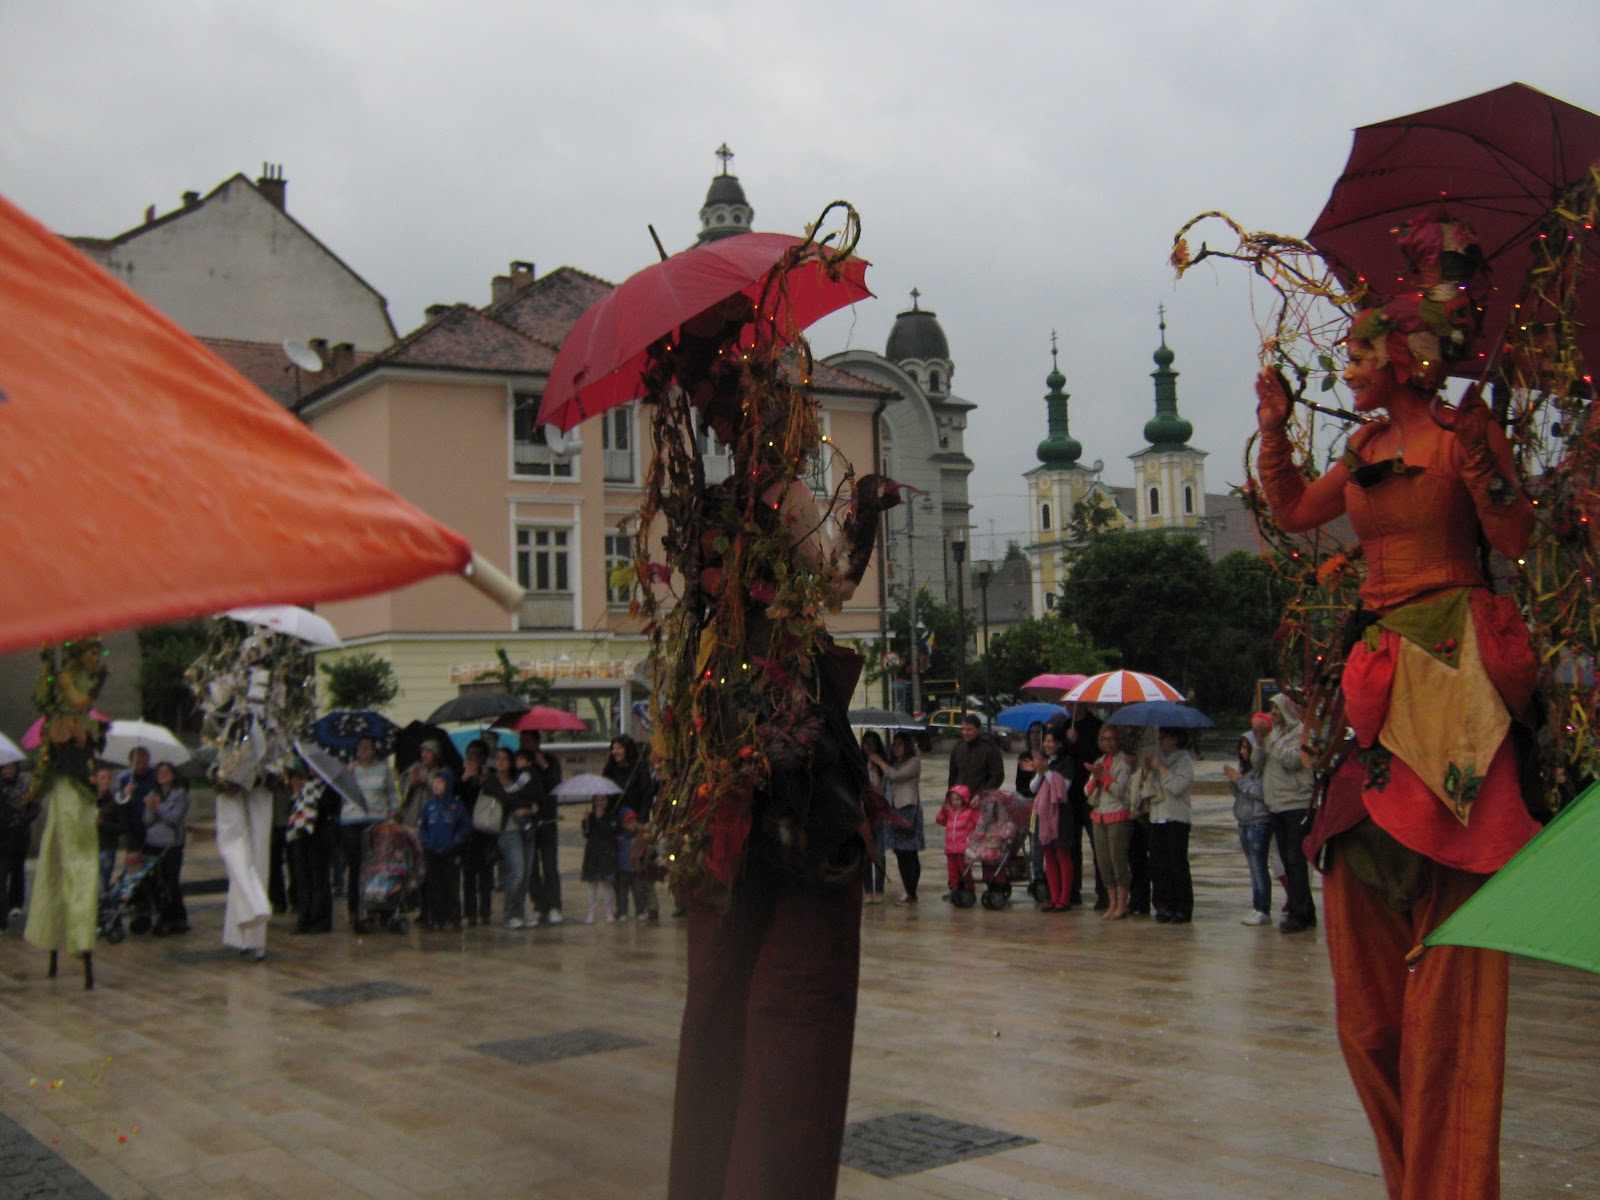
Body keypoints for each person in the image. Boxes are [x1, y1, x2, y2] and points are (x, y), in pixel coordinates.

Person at [1254, 279, 1542, 1198]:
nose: (1350, 363)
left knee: (1455, 990)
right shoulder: (1369, 444)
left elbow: (1516, 532)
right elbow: (1298, 511)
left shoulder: (1459, 440)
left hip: (1454, 677)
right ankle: (1412, 1176)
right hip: (1374, 680)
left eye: (1363, 350)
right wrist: (1273, 426)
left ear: (1411, 358)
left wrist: (1486, 452)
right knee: (1368, 1017)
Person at [649, 282, 902, 1200]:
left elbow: (819, 583)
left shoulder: (739, 499)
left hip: (742, 738)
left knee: (744, 982)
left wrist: (861, 511)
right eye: (720, 404)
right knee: (770, 985)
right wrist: (865, 511)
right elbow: (834, 583)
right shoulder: (752, 497)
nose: (727, 418)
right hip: (757, 739)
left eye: (732, 402)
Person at [1257, 692, 1317, 934]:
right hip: (1276, 805)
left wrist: (1269, 739)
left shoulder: (1302, 732)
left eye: (1276, 710)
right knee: (1287, 860)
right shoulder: (1276, 736)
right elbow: (1257, 762)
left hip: (1296, 804)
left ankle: (1299, 914)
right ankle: (1304, 909)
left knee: (1295, 860)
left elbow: (1293, 760)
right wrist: (1260, 741)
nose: (1272, 715)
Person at [1141, 728, 1195, 924]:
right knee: (1159, 865)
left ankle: (1183, 907)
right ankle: (1165, 905)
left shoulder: (1185, 761)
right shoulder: (1158, 759)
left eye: (1164, 738)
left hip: (1177, 818)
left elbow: (1177, 788)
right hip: (1157, 817)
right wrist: (1148, 772)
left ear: (1174, 739)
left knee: (1177, 864)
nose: (1161, 741)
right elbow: (1148, 791)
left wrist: (1162, 768)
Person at [216, 778, 274, 960]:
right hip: (232, 785)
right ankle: (243, 934)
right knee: (237, 856)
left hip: (257, 783)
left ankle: (255, 936)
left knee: (257, 855)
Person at [344, 735, 397, 932]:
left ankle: (375, 907)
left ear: (374, 750)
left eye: (368, 747)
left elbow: (391, 792)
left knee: (375, 867)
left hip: (376, 819)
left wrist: (393, 809)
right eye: (361, 747)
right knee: (355, 866)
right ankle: (354, 910)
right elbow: (342, 793)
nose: (364, 751)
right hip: (352, 820)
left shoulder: (383, 768)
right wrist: (346, 776)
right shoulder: (351, 769)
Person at [481, 747, 536, 928]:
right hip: (508, 829)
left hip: (527, 827)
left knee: (526, 874)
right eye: (498, 758)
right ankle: (510, 912)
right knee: (517, 872)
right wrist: (522, 806)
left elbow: (532, 795)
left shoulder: (519, 779)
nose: (501, 762)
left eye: (505, 758)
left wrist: (529, 808)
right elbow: (505, 799)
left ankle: (519, 912)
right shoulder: (492, 781)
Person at [604, 735, 657, 921]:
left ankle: (649, 906)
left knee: (642, 862)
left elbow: (646, 793)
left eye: (619, 747)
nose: (615, 751)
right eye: (613, 748)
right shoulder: (610, 769)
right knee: (621, 866)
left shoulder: (638, 768)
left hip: (637, 821)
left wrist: (641, 820)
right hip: (618, 823)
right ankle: (622, 907)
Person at [1085, 724, 1135, 920]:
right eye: (1105, 739)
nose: (1109, 742)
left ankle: (1122, 903)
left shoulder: (1125, 763)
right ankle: (1112, 901)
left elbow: (1120, 791)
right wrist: (1094, 777)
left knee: (1118, 859)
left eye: (1113, 738)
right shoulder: (1100, 761)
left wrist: (1104, 777)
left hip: (1118, 814)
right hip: (1099, 813)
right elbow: (1087, 791)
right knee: (1103, 860)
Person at [1022, 727, 1074, 912]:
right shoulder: (1046, 762)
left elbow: (1063, 789)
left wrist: (1048, 773)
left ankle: (1064, 898)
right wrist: (1041, 771)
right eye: (1046, 741)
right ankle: (1053, 896)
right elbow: (1034, 787)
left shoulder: (1066, 762)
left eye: (1051, 741)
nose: (1047, 744)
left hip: (1061, 815)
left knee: (1062, 856)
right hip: (1044, 817)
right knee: (1048, 856)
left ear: (1060, 743)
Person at [1227, 728, 1274, 926]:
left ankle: (1263, 907)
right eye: (1241, 748)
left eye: (1247, 747)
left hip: (1259, 821)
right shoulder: (1244, 769)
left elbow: (1260, 793)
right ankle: (1257, 905)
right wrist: (1233, 781)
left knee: (1259, 865)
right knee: (1252, 866)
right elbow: (1239, 793)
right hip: (1244, 821)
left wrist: (1241, 781)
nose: (1243, 751)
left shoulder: (1262, 770)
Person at [871, 732, 924, 903]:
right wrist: (874, 769)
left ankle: (911, 891)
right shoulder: (896, 763)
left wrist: (880, 761)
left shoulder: (914, 762)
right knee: (900, 851)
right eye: (894, 745)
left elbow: (896, 776)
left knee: (909, 851)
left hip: (907, 808)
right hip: (893, 809)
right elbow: (884, 784)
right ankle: (908, 889)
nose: (895, 748)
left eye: (899, 744)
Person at [284, 761, 336, 935]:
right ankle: (304, 917)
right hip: (301, 837)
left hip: (320, 836)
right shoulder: (305, 788)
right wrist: (298, 793)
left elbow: (331, 808)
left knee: (319, 878)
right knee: (302, 877)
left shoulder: (327, 786)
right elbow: (292, 811)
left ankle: (320, 918)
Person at [417, 769, 470, 931]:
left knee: (451, 885)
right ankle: (436, 917)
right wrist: (425, 841)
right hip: (432, 851)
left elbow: (465, 825)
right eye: (435, 782)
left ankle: (453, 917)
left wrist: (456, 840)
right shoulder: (428, 806)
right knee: (434, 885)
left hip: (450, 851)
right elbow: (422, 827)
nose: (437, 785)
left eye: (441, 782)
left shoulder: (456, 805)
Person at [142, 761, 190, 935]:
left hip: (171, 844)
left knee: (170, 881)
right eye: (159, 772)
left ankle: (170, 918)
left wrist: (158, 807)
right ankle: (175, 917)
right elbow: (147, 821)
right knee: (156, 881)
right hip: (153, 842)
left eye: (166, 772)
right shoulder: (153, 793)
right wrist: (151, 808)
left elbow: (174, 818)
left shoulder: (180, 794)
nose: (162, 775)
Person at [520, 735, 563, 925]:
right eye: (522, 741)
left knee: (550, 865)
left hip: (548, 821)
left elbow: (555, 784)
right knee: (531, 867)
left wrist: (543, 765)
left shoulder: (551, 761)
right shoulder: (521, 763)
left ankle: (554, 905)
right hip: (529, 821)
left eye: (527, 741)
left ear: (536, 742)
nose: (525, 744)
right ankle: (539, 904)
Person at [457, 739, 498, 927]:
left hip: (486, 829)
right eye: (469, 754)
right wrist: (465, 779)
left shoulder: (490, 775)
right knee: (468, 873)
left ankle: (485, 912)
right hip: (468, 830)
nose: (472, 758)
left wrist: (485, 780)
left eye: (476, 755)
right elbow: (458, 796)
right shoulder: (462, 775)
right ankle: (470, 912)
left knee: (486, 873)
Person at [0, 760, 38, 927]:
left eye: (11, 768)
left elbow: (34, 807)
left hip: (20, 834)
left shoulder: (25, 785)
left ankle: (16, 903)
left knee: (17, 868)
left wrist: (23, 819)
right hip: (3, 834)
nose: (8, 771)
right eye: (5, 768)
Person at [859, 731, 891, 904]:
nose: (869, 747)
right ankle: (867, 890)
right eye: (866, 744)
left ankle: (879, 889)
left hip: (878, 813)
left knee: (879, 851)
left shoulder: (881, 764)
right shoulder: (857, 764)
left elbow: (880, 790)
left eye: (873, 744)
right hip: (863, 813)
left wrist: (874, 768)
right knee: (865, 853)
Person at [580, 793, 620, 924]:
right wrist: (585, 821)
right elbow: (586, 833)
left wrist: (600, 818)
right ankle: (591, 911)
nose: (600, 803)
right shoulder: (590, 816)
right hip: (593, 853)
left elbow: (610, 831)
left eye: (603, 800)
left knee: (607, 884)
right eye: (597, 800)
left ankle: (608, 910)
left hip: (607, 852)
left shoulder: (611, 815)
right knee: (592, 884)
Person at [935, 785, 977, 901]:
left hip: (963, 848)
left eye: (958, 799)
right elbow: (940, 820)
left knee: (964, 869)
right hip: (950, 848)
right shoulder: (950, 813)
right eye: (953, 800)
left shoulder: (969, 813)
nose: (955, 802)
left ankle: (969, 888)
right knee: (952, 870)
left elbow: (978, 823)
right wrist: (943, 810)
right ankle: (954, 889)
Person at [947, 714, 1003, 795]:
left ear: (978, 730)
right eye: (963, 729)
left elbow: (997, 777)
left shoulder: (990, 749)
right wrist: (950, 796)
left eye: (969, 730)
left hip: (981, 799)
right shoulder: (958, 748)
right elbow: (953, 776)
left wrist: (981, 794)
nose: (965, 733)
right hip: (960, 799)